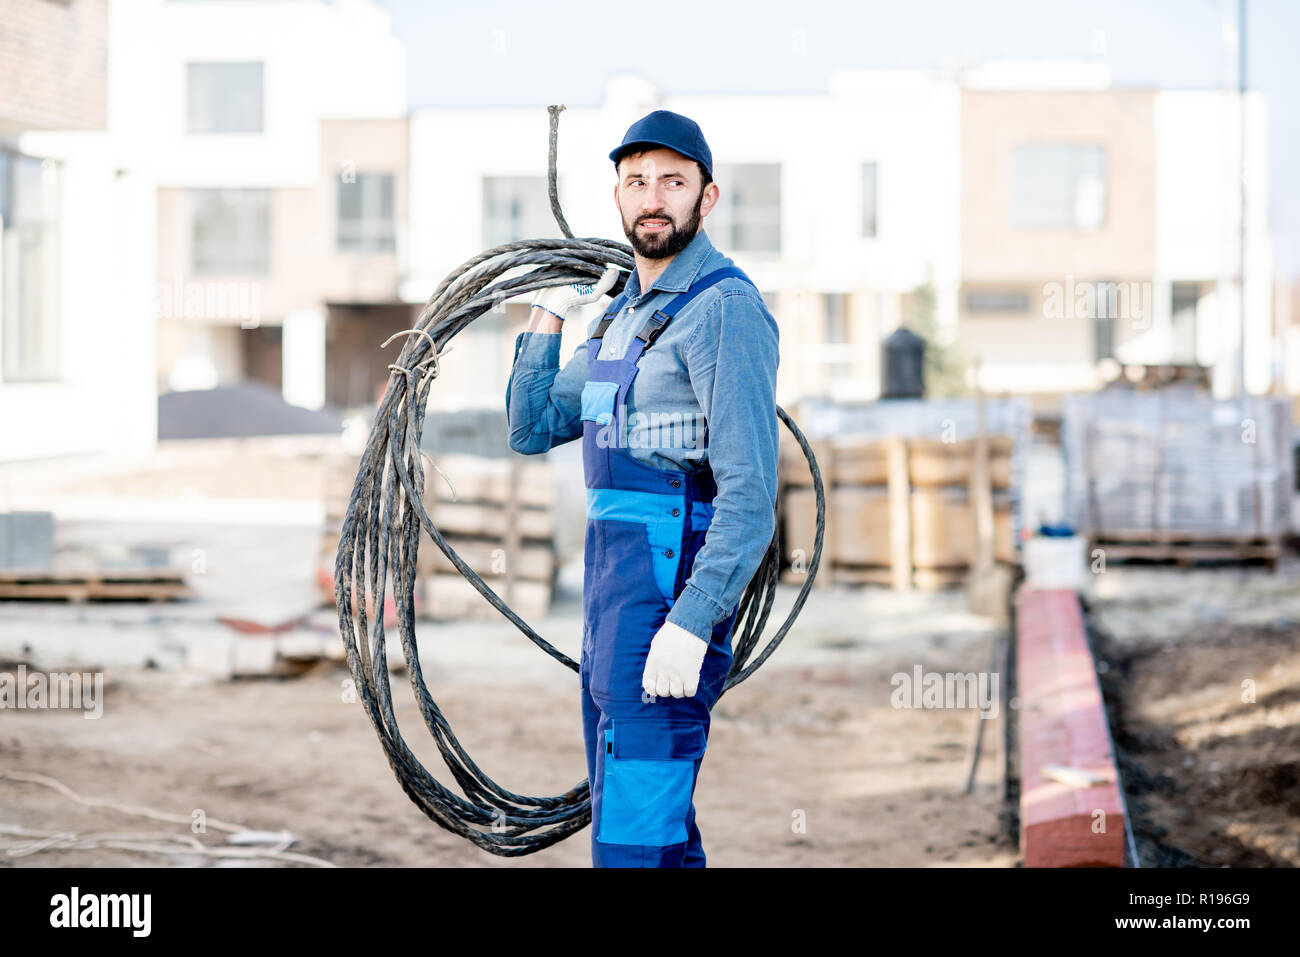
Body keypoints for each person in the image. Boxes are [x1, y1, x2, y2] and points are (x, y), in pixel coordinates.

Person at [505, 109, 780, 867]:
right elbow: (530, 427)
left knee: (635, 845)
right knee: (649, 837)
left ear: (708, 196)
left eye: (672, 180)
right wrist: (549, 313)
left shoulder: (724, 309)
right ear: (618, 196)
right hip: (609, 604)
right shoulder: (621, 315)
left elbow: (752, 494)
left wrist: (692, 621)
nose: (652, 196)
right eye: (636, 181)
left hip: (664, 604)